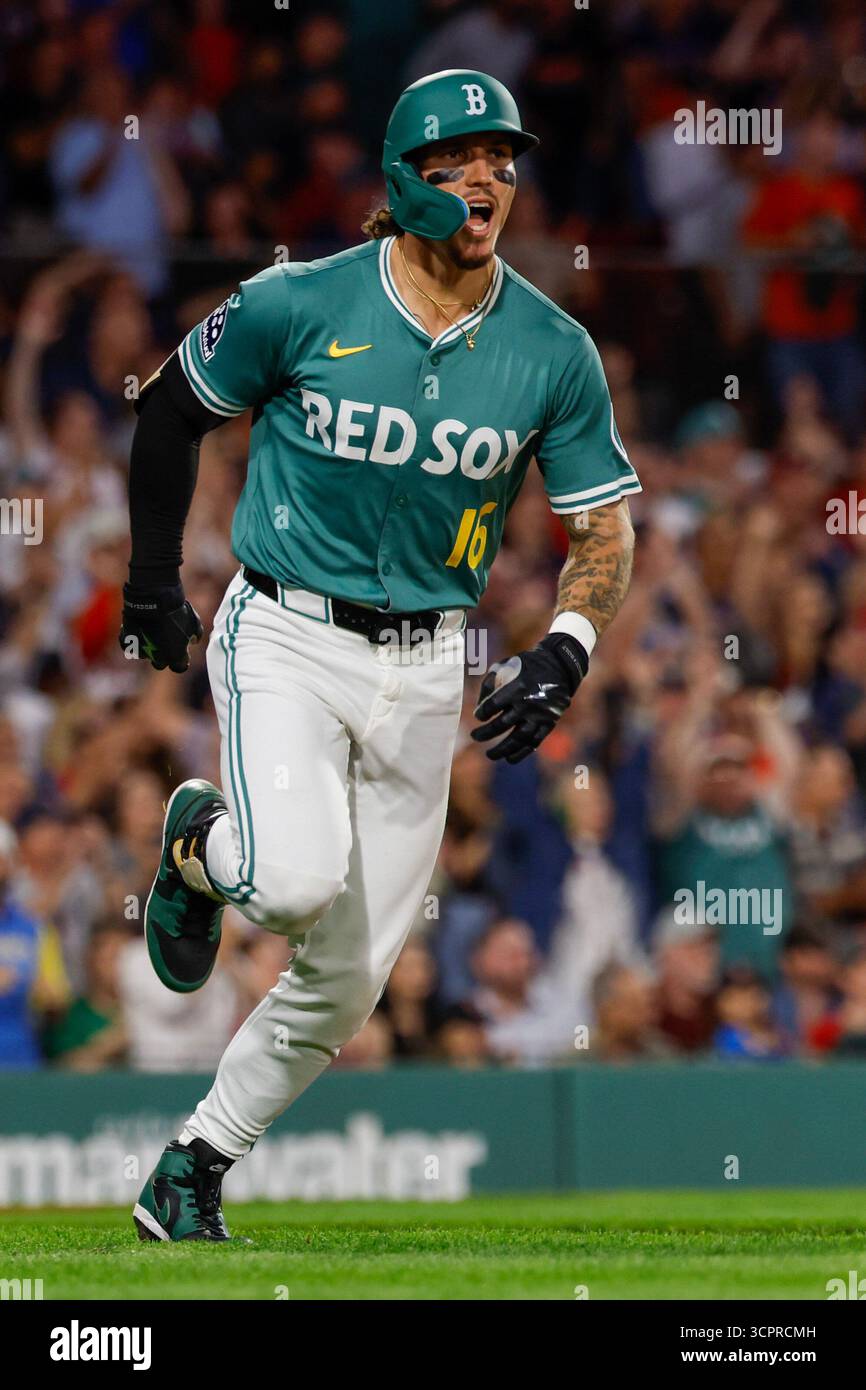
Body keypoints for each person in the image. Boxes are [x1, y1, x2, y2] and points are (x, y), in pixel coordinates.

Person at [120, 70, 639, 1241]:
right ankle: (198, 848)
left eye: (502, 159)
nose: (487, 181)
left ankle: (193, 1163)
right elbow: (168, 411)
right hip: (289, 630)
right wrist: (154, 576)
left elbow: (601, 524)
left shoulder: (551, 348)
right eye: (460, 160)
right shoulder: (297, 300)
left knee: (348, 977)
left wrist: (564, 645)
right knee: (294, 878)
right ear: (404, 179)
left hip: (424, 666)